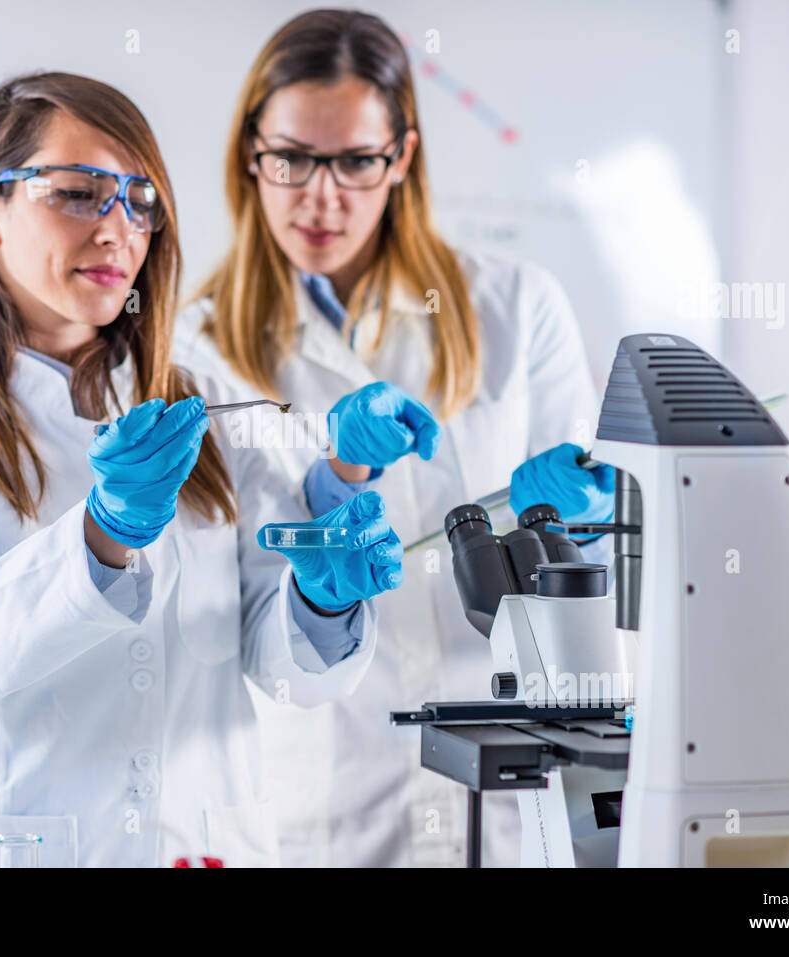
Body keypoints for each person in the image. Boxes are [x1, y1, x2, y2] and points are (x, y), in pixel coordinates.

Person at [0, 71, 403, 867]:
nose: (117, 229)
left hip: (200, 846)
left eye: (141, 202)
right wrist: (100, 539)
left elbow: (288, 674)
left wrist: (318, 596)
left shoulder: (203, 405)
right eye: (77, 192)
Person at [173, 9, 615, 867]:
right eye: (292, 158)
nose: (321, 196)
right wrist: (331, 484)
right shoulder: (199, 350)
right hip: (325, 796)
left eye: (356, 162)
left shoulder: (516, 307)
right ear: (249, 153)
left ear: (402, 158)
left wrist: (580, 518)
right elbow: (234, 615)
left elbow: (593, 564)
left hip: (512, 790)